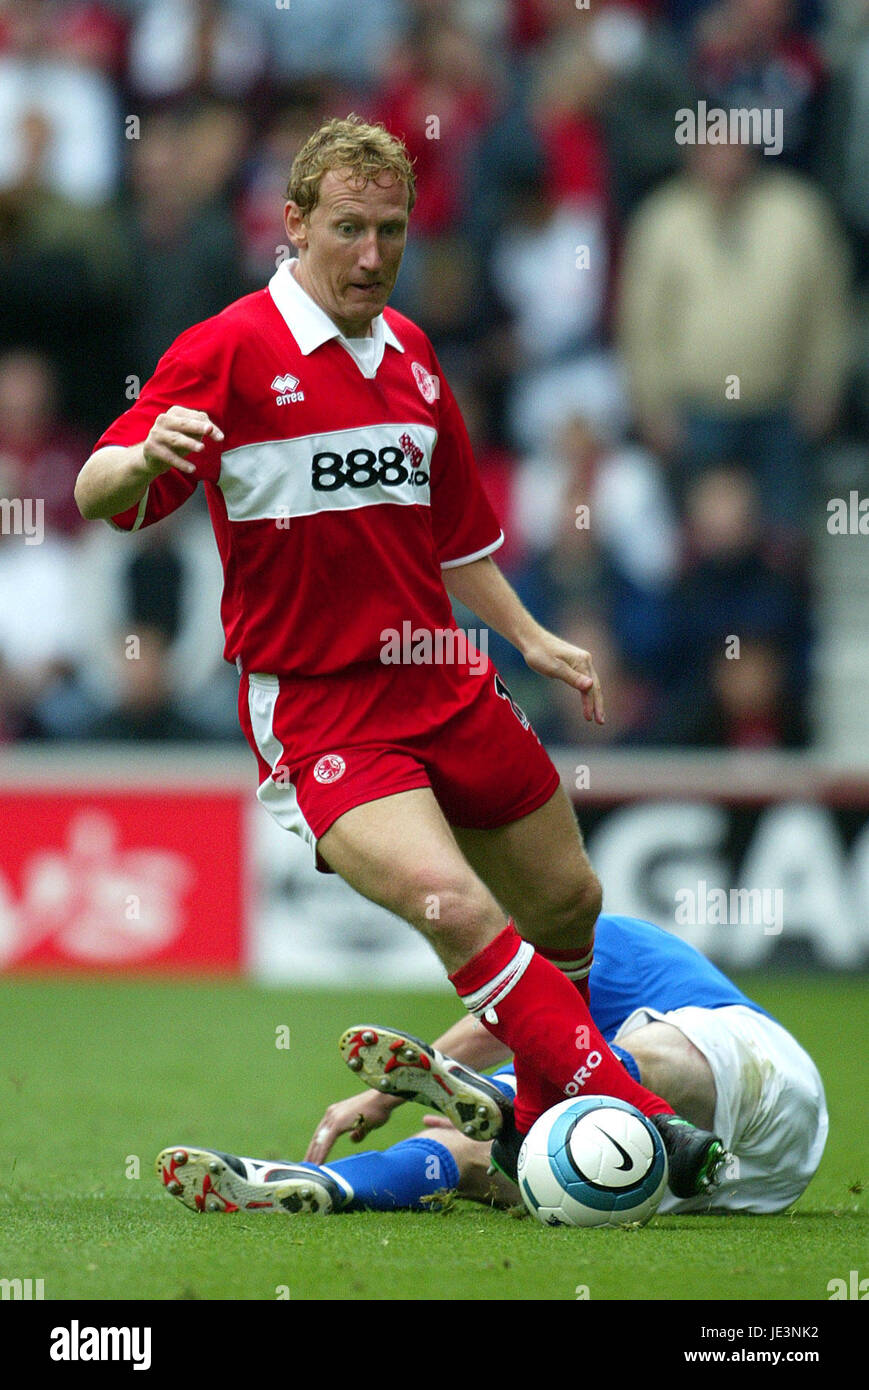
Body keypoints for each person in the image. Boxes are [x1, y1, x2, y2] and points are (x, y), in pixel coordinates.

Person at [75, 115, 723, 1194]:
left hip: (442, 677)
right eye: (346, 230)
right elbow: (102, 491)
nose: (372, 255)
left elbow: (455, 539)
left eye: (390, 231)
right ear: (291, 225)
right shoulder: (228, 350)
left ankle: (525, 1099)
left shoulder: (414, 357)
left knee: (568, 902)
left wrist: (529, 638)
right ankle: (632, 1114)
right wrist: (142, 451)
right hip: (324, 706)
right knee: (457, 906)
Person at [156, 914, 828, 1218]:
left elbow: (500, 1018)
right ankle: (326, 1185)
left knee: (647, 1058)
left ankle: (504, 1103)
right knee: (465, 1155)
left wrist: (386, 1095)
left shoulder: (600, 934)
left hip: (759, 1081)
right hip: (738, 1185)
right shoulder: (547, 949)